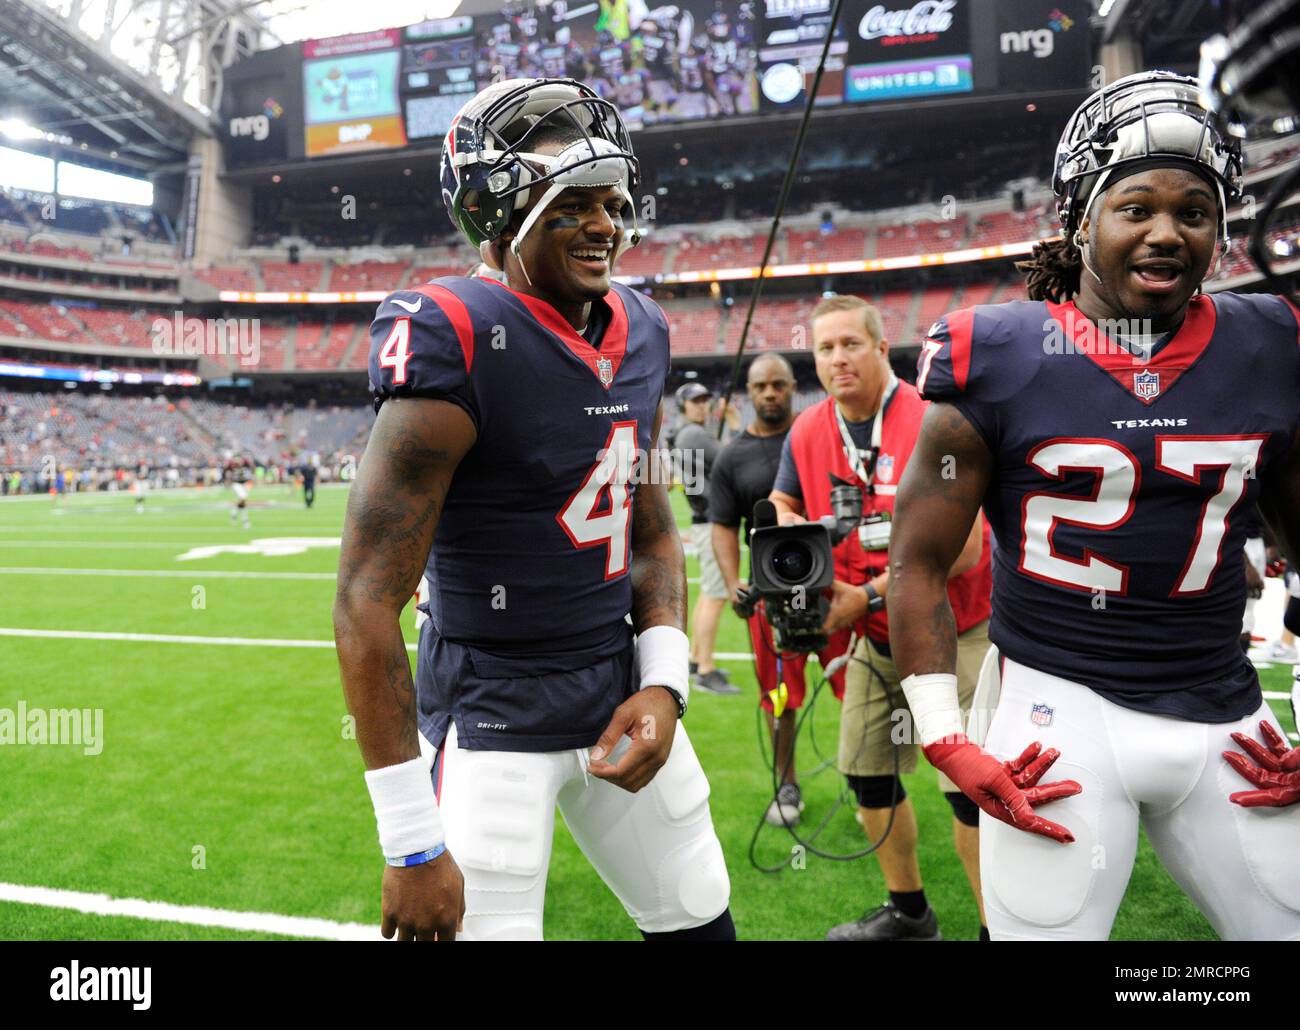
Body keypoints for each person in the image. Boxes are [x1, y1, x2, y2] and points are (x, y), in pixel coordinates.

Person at [888, 70, 1300, 940]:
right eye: (1137, 207)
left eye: (1194, 211)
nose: (1166, 232)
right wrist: (943, 733)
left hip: (1226, 707)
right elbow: (918, 561)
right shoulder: (995, 352)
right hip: (1056, 710)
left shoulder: (1269, 343)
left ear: (1220, 231)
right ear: (1082, 222)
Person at [334, 77, 733, 941]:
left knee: (700, 913)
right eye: (574, 203)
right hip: (490, 718)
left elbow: (652, 526)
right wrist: (408, 840)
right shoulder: (455, 333)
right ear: (493, 215)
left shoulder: (644, 329)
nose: (605, 225)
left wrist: (664, 681)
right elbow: (365, 599)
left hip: (616, 691)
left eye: (615, 202)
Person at [770, 295, 991, 941]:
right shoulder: (810, 428)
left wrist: (862, 597)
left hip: (955, 632)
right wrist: (791, 540)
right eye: (824, 348)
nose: (837, 359)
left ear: (878, 346)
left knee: (969, 787)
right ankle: (910, 913)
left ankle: (995, 927)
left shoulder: (932, 417)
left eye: (849, 344)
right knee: (868, 774)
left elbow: (968, 548)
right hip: (876, 639)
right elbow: (784, 497)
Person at [708, 353, 806, 824]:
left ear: (793, 387)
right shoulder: (733, 455)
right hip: (772, 595)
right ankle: (787, 785)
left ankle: (865, 779)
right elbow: (722, 526)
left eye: (779, 385)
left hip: (835, 584)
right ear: (749, 393)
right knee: (779, 695)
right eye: (761, 386)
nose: (770, 394)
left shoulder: (815, 436)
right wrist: (733, 584)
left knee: (856, 681)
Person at [673, 381, 740, 694]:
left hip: (703, 521)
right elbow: (734, 461)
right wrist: (736, 427)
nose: (702, 405)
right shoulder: (696, 434)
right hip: (712, 522)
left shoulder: (687, 434)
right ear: (683, 406)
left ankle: (696, 659)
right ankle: (706, 671)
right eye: (695, 401)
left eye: (704, 399)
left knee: (708, 595)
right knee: (716, 595)